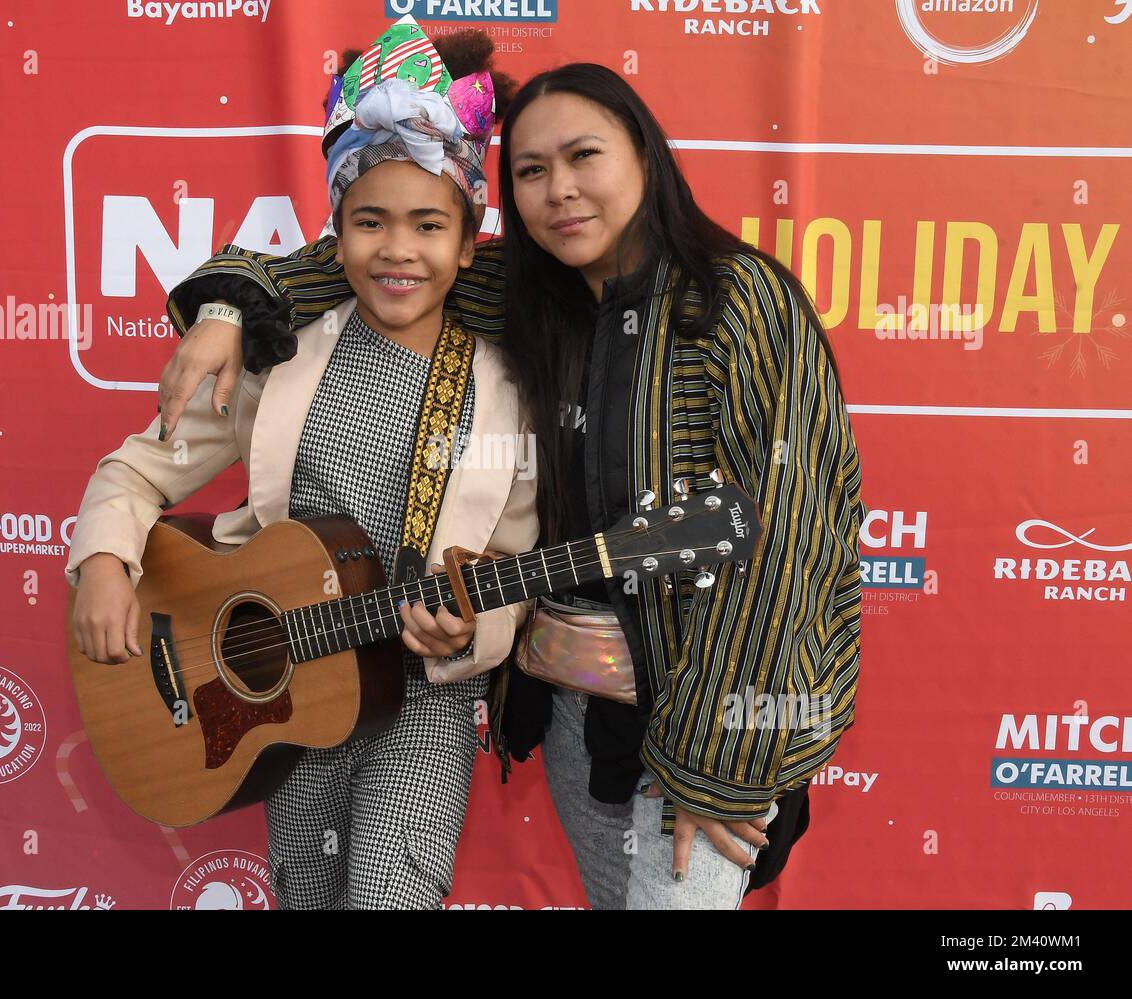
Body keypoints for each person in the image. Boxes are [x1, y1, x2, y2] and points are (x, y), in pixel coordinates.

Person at [156, 65, 866, 910]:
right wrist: (226, 310)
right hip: (579, 712)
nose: (559, 191)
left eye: (583, 156)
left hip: (711, 717)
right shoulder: (525, 291)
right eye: (530, 171)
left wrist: (718, 773)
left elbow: (794, 546)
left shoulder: (741, 301)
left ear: (644, 153)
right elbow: (351, 263)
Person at [65, 18, 534, 909]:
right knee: (307, 891)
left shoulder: (507, 381)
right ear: (336, 230)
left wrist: (475, 627)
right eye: (370, 222)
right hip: (283, 690)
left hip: (421, 698)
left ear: (469, 241)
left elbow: (515, 559)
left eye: (429, 225)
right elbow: (135, 473)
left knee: (391, 892)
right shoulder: (280, 356)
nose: (398, 250)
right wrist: (101, 563)